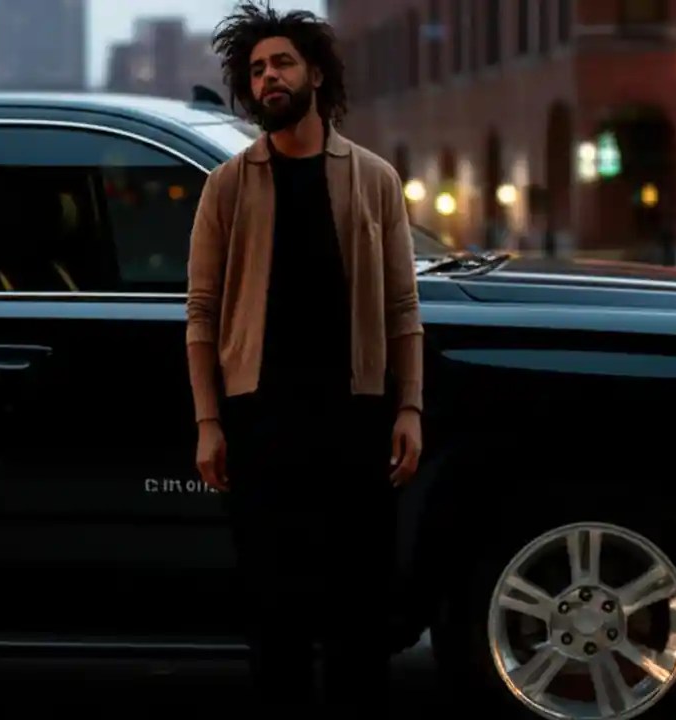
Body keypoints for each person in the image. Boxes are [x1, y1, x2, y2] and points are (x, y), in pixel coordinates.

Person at [186, 2, 424, 714]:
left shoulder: (374, 178)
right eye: (256, 69)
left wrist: (409, 406)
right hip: (260, 421)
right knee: (274, 611)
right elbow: (200, 315)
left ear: (315, 71)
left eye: (282, 62)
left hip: (357, 419)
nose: (269, 78)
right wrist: (209, 421)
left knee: (361, 610)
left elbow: (404, 308)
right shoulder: (228, 186)